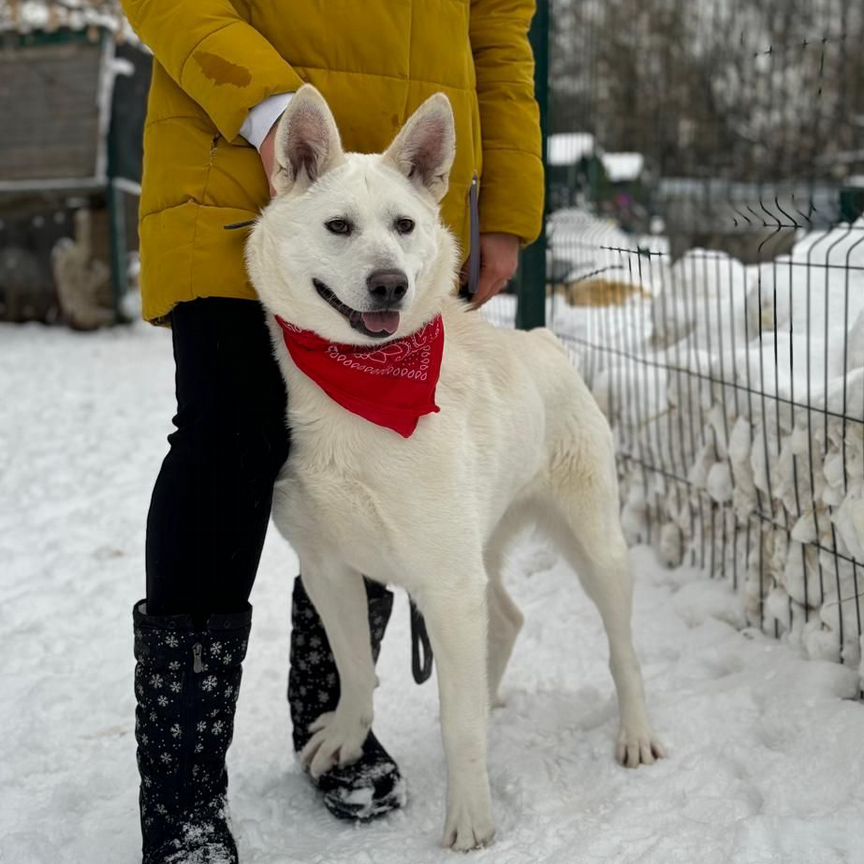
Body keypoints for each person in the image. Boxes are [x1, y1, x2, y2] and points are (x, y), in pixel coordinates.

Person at [121, 1, 543, 861]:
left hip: (398, 175)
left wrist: (508, 201)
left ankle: (337, 717)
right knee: (228, 445)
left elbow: (498, 26)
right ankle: (183, 788)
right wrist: (269, 107)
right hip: (234, 154)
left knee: (384, 460)